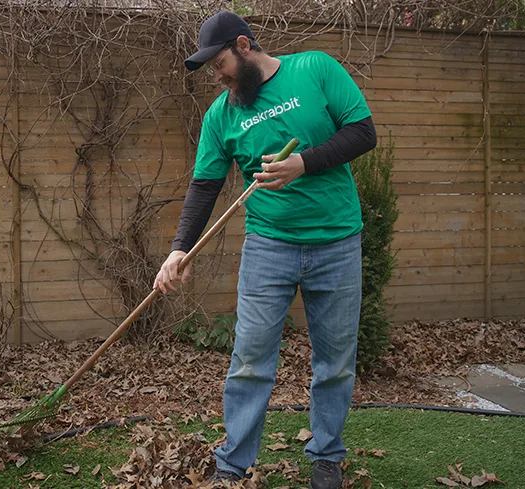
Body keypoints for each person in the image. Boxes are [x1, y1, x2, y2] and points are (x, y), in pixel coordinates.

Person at [153, 11, 377, 489]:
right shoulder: (222, 115)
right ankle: (233, 464)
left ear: (243, 45)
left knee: (335, 361)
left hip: (336, 240)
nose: (217, 77)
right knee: (250, 360)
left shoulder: (315, 69)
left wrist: (304, 163)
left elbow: (362, 132)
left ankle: (326, 457)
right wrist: (178, 250)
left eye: (219, 65)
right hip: (268, 247)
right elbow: (204, 186)